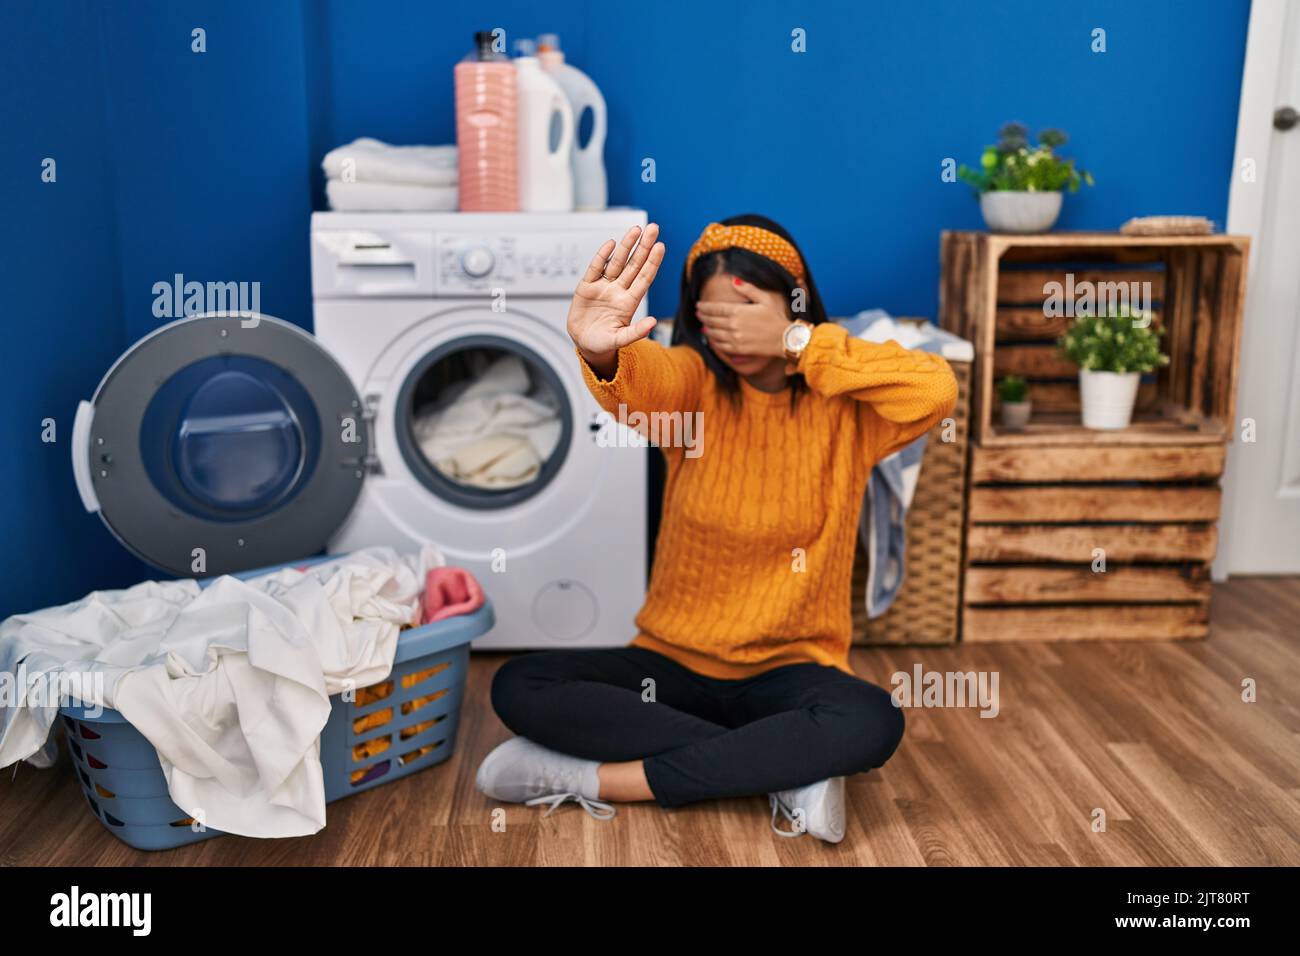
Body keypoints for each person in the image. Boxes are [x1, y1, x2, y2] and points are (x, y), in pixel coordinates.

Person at [476, 215, 958, 842]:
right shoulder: (694, 387)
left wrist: (798, 343)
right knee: (520, 684)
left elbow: (935, 389)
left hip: (791, 671)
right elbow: (643, 382)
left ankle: (596, 780)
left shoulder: (847, 410)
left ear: (793, 301)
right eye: (713, 319)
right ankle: (787, 766)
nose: (729, 334)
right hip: (670, 669)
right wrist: (602, 349)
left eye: (746, 311)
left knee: (872, 721)